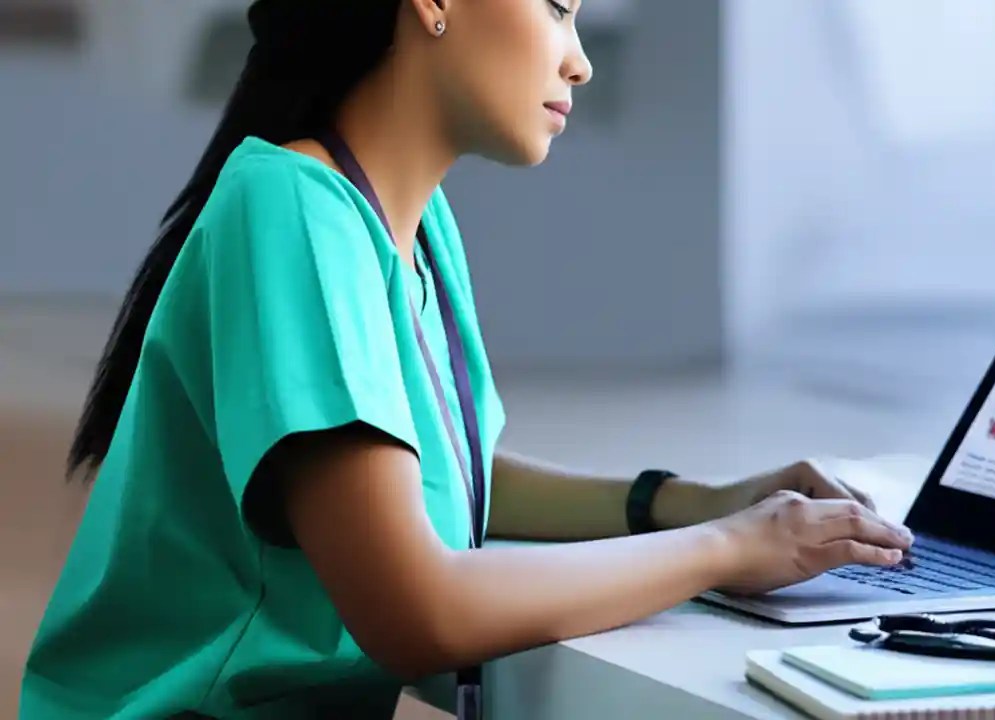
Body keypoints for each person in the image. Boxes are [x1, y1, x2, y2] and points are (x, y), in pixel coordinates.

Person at [20, 1, 914, 718]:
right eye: (558, 8)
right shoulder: (288, 208)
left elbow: (444, 476)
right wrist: (726, 547)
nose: (580, 59)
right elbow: (420, 609)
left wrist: (687, 500)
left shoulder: (417, 227)